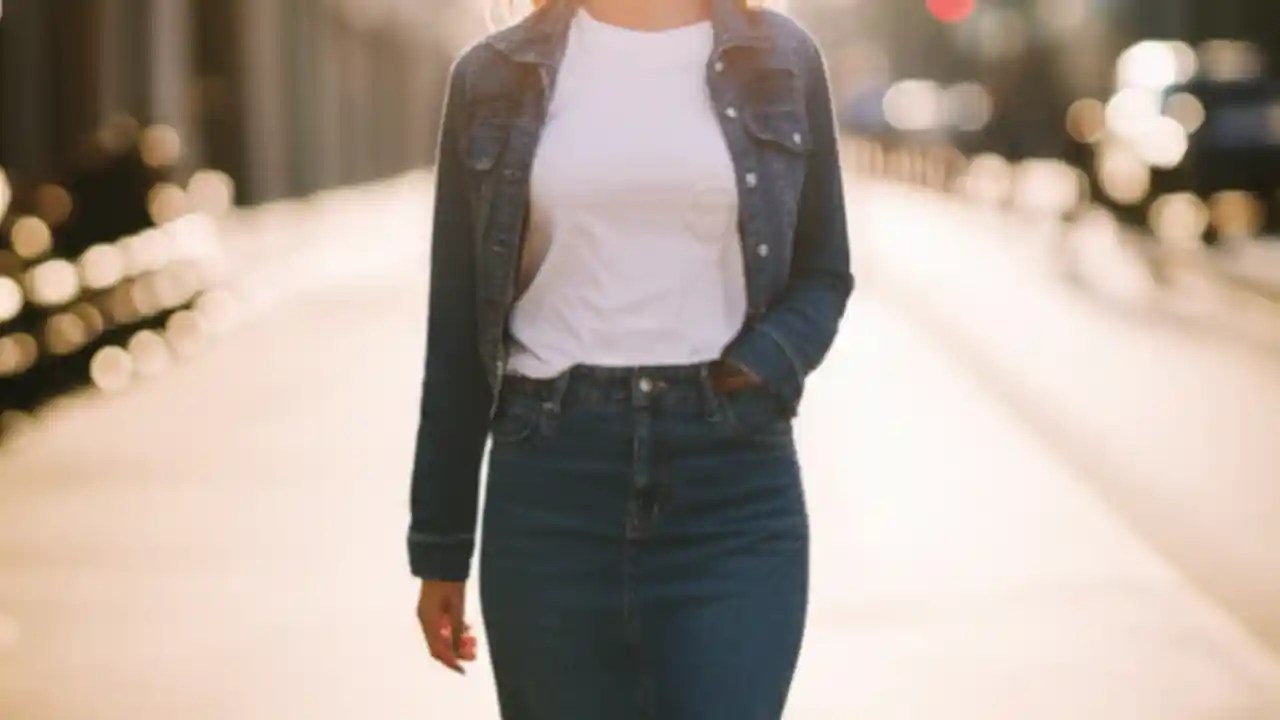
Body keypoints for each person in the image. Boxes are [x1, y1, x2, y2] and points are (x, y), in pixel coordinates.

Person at [408, 0, 852, 716]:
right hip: (552, 486)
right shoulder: (492, 76)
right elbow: (458, 328)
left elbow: (824, 268)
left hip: (731, 490)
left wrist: (761, 364)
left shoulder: (779, 58)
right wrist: (440, 544)